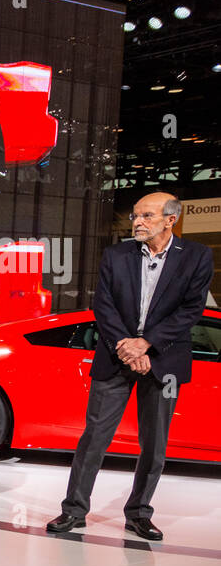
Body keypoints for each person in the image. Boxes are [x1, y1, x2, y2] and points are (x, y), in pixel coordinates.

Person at [46, 192, 211, 542]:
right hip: (115, 356)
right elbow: (103, 306)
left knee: (155, 444)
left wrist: (147, 343)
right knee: (94, 438)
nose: (138, 222)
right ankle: (74, 510)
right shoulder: (116, 254)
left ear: (170, 220)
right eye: (136, 216)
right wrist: (127, 347)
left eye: (147, 216)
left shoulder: (196, 257)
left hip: (164, 360)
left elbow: (190, 311)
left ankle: (139, 513)